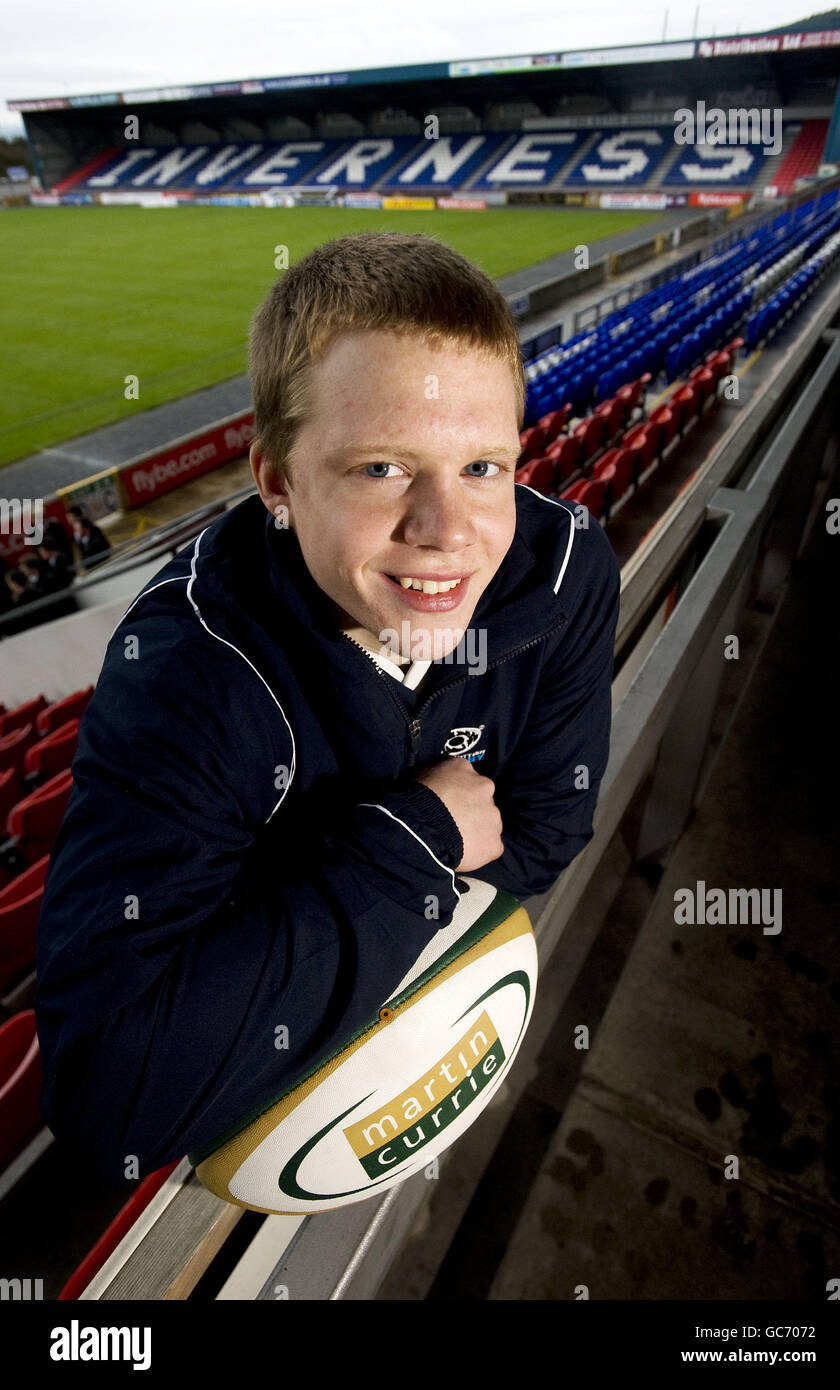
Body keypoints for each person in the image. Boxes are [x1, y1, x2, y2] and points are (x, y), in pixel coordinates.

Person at [34, 231, 620, 1186]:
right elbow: (114, 1095)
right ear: (276, 482)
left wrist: (273, 913)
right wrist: (420, 831)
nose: (446, 532)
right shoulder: (185, 673)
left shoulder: (565, 567)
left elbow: (549, 836)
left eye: (483, 467)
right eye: (381, 468)